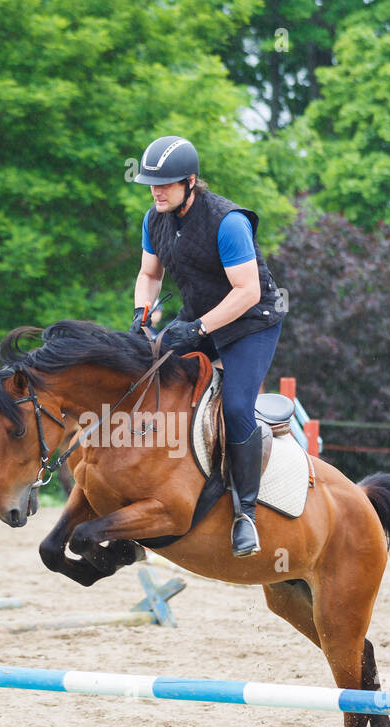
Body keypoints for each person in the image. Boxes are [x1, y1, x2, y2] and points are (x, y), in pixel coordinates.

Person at [130, 135, 282, 557]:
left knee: (234, 407)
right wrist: (144, 313)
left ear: (191, 182)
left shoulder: (228, 221)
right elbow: (149, 275)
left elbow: (247, 292)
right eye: (151, 184)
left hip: (250, 323)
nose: (156, 191)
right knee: (143, 378)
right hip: (199, 319)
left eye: (166, 184)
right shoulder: (154, 218)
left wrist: (196, 330)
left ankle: (245, 513)